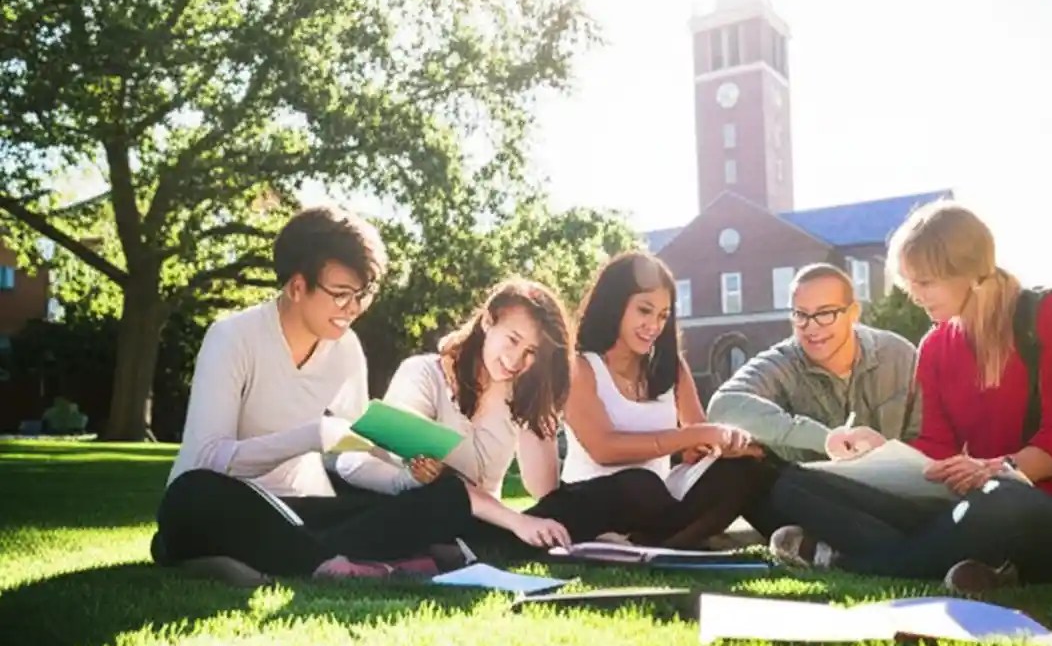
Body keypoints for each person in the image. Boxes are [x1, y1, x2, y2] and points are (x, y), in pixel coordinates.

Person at [150, 206, 564, 585]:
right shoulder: (231, 338)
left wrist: (405, 481)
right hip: (229, 502)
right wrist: (311, 435)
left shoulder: (346, 349)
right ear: (297, 286)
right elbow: (207, 459)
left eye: (362, 295)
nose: (353, 308)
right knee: (193, 495)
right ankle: (329, 562)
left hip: (310, 511)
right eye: (341, 294)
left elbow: (350, 458)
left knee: (446, 496)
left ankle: (286, 560)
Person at [767, 201, 1052, 593]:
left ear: (969, 272)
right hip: (968, 505)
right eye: (910, 283)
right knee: (794, 486)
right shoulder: (935, 345)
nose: (914, 296)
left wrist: (995, 468)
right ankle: (979, 567)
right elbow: (937, 447)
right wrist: (882, 453)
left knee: (998, 501)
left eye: (924, 283)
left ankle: (845, 561)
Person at [334, 278, 661, 548]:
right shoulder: (421, 373)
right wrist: (517, 521)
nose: (516, 360)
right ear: (488, 321)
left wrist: (539, 408)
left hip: (484, 529)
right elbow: (430, 477)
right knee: (443, 489)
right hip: (415, 513)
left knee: (632, 484)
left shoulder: (524, 393)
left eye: (531, 352)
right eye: (513, 340)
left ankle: (627, 538)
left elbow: (545, 491)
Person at [561, 251, 777, 548]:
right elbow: (603, 448)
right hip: (598, 499)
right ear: (615, 304)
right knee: (639, 483)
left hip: (657, 503)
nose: (655, 325)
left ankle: (653, 546)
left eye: (663, 315)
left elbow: (697, 437)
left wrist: (719, 445)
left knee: (749, 466)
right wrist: (689, 437)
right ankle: (668, 542)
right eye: (644, 310)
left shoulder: (670, 366)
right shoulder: (579, 367)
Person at [706, 262, 922, 535]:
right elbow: (723, 406)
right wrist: (824, 439)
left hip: (893, 495)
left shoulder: (899, 354)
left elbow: (927, 437)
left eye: (825, 314)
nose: (811, 328)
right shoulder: (783, 361)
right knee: (759, 477)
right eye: (801, 315)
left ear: (853, 313)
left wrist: (888, 453)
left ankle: (827, 548)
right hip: (812, 499)